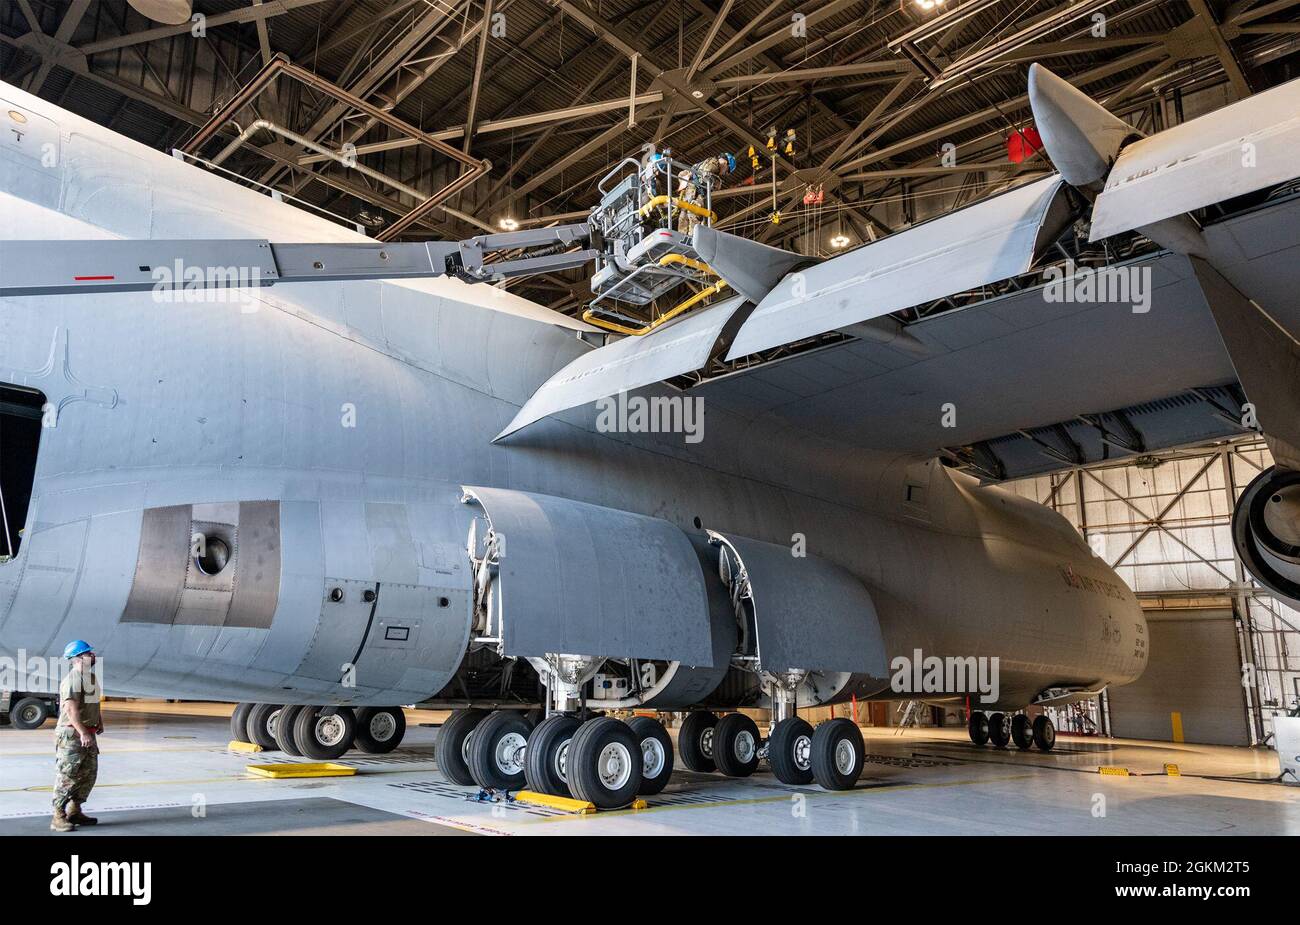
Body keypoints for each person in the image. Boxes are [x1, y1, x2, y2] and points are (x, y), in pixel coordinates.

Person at [51, 640, 102, 832]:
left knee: (88, 773)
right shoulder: (72, 680)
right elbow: (71, 710)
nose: (93, 656)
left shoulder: (91, 678)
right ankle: (58, 816)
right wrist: (82, 732)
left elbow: (93, 704)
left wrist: (99, 721)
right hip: (72, 734)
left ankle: (75, 810)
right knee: (68, 774)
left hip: (87, 732)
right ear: (78, 658)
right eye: (88, 654)